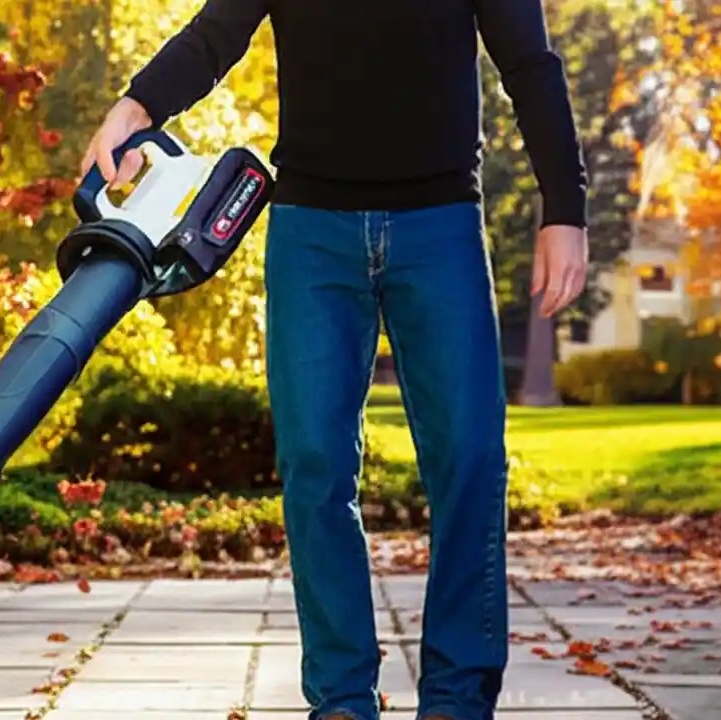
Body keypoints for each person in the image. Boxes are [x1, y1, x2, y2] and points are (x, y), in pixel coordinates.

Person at [79, 1, 588, 719]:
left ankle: (458, 699)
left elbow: (529, 64)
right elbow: (216, 33)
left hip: (440, 224)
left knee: (470, 458)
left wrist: (565, 209)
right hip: (311, 229)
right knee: (316, 465)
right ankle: (343, 699)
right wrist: (137, 106)